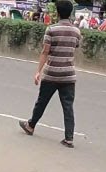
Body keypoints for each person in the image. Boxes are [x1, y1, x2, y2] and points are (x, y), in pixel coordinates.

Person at [19, 0, 80, 148]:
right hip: (68, 75)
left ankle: (31, 125)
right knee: (68, 106)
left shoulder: (51, 30)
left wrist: (38, 72)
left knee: (42, 101)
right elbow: (75, 47)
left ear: (57, 13)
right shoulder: (76, 31)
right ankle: (69, 138)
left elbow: (45, 51)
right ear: (70, 13)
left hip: (52, 73)